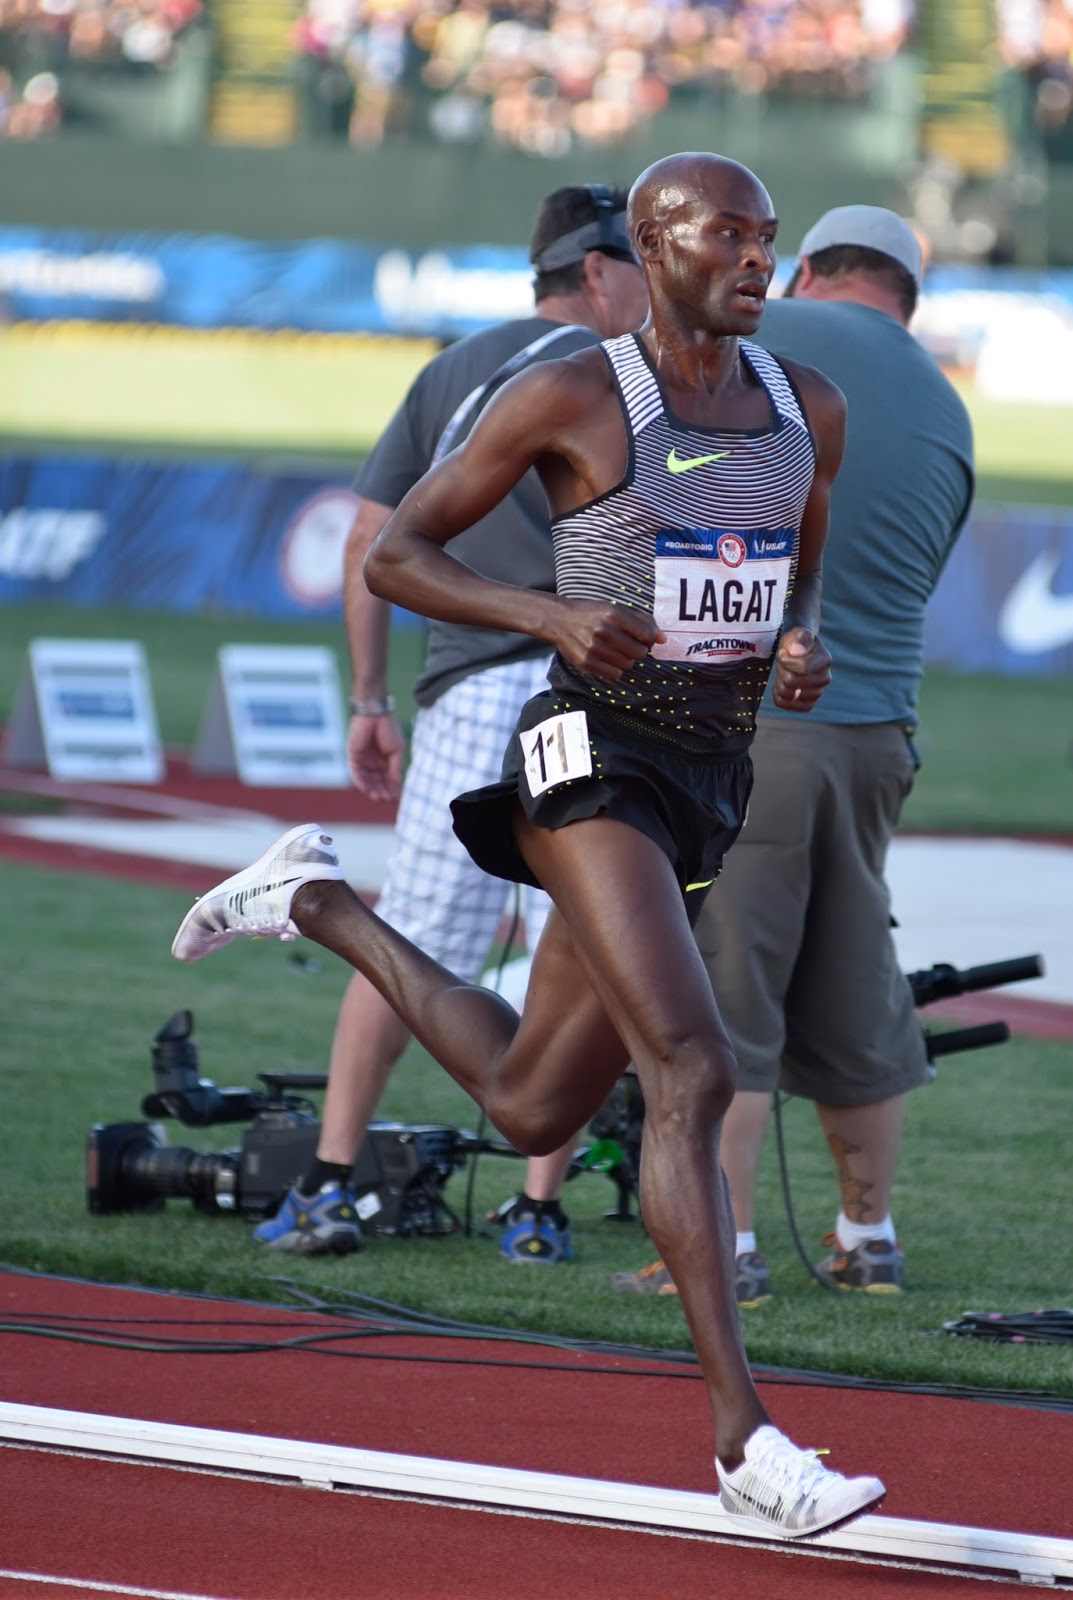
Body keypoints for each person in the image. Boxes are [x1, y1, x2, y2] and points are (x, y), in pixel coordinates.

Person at [172, 151, 888, 1537]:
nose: (756, 260)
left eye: (769, 239)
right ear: (655, 245)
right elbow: (394, 554)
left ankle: (313, 897)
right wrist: (552, 619)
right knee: (689, 1066)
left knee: (528, 1105)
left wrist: (798, 643)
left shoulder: (812, 407)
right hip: (583, 759)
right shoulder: (575, 390)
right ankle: (747, 1444)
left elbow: (792, 569)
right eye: (726, 236)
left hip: (704, 778)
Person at [254, 183, 650, 1264]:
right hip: (595, 694)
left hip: (475, 687)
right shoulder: (636, 379)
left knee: (413, 943)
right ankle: (534, 1207)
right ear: (599, 271)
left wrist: (370, 697)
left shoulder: (456, 368)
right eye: (642, 269)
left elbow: (370, 543)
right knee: (584, 949)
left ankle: (331, 1182)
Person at [612, 205, 974, 1305]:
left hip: (751, 718)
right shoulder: (947, 406)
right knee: (856, 979)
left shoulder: (769, 342)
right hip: (877, 736)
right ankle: (866, 1234)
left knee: (723, 989)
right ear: (908, 294)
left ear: (806, 266)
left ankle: (718, 1249)